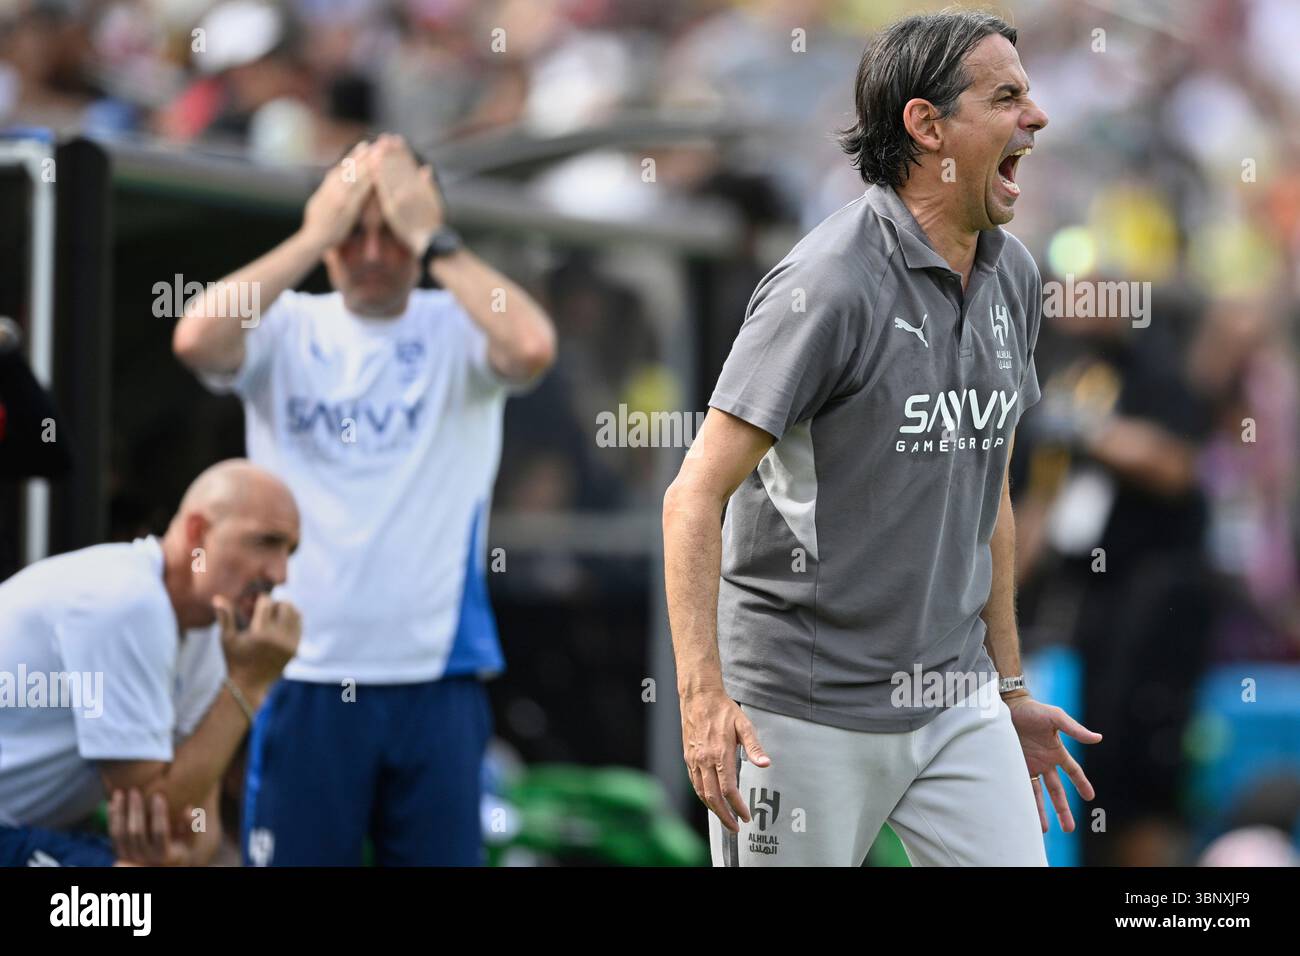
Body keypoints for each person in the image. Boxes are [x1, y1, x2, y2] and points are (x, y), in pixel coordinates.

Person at [663, 10, 1100, 867]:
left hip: (954, 699)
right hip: (799, 708)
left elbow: (992, 505)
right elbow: (694, 494)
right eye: (1007, 96)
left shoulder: (1014, 274)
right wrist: (702, 696)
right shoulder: (826, 284)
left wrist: (1009, 688)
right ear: (928, 126)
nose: (1037, 117)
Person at [173, 134, 556, 865]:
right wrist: (315, 231)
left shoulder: (457, 325)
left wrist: (435, 236)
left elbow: (532, 346)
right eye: (355, 232)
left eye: (393, 230)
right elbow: (196, 339)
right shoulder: (287, 326)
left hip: (437, 677)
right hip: (303, 669)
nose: (373, 251)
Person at [0, 459, 301, 866]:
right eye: (266, 542)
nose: (280, 573)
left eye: (289, 551)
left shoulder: (210, 627)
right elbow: (148, 803)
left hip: (35, 828)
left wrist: (184, 853)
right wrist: (248, 686)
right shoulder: (127, 601)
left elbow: (195, 816)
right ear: (199, 533)